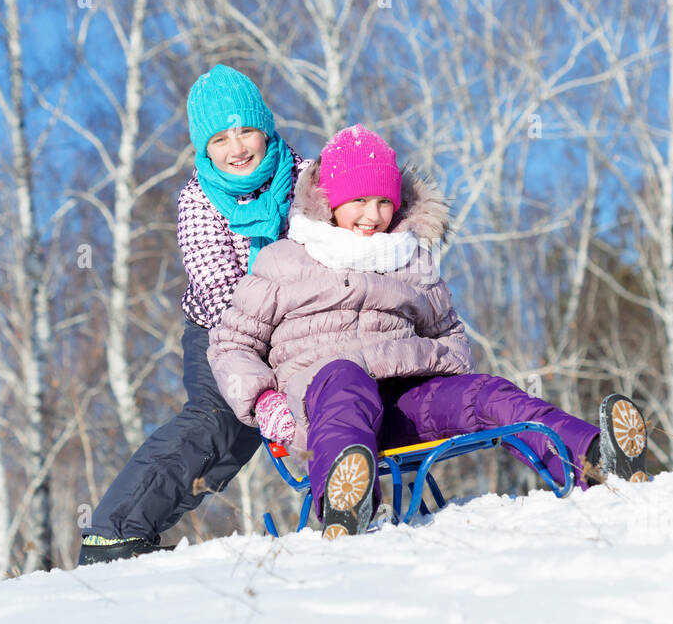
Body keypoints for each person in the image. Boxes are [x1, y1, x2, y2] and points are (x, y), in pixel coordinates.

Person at [208, 124, 649, 539]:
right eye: (359, 200)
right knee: (345, 378)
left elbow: (451, 336)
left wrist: (440, 371)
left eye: (384, 202)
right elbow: (231, 346)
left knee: (490, 394)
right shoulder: (284, 262)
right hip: (327, 408)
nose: (373, 215)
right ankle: (346, 500)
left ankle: (595, 460)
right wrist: (265, 404)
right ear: (329, 201)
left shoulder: (410, 261)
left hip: (407, 403)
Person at [78, 64, 309, 564]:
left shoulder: (304, 181)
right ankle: (116, 529)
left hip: (302, 331)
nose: (237, 147)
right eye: (220, 139)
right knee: (219, 423)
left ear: (265, 128)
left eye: (246, 130)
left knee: (263, 431)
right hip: (221, 333)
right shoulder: (200, 199)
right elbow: (220, 286)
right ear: (204, 150)